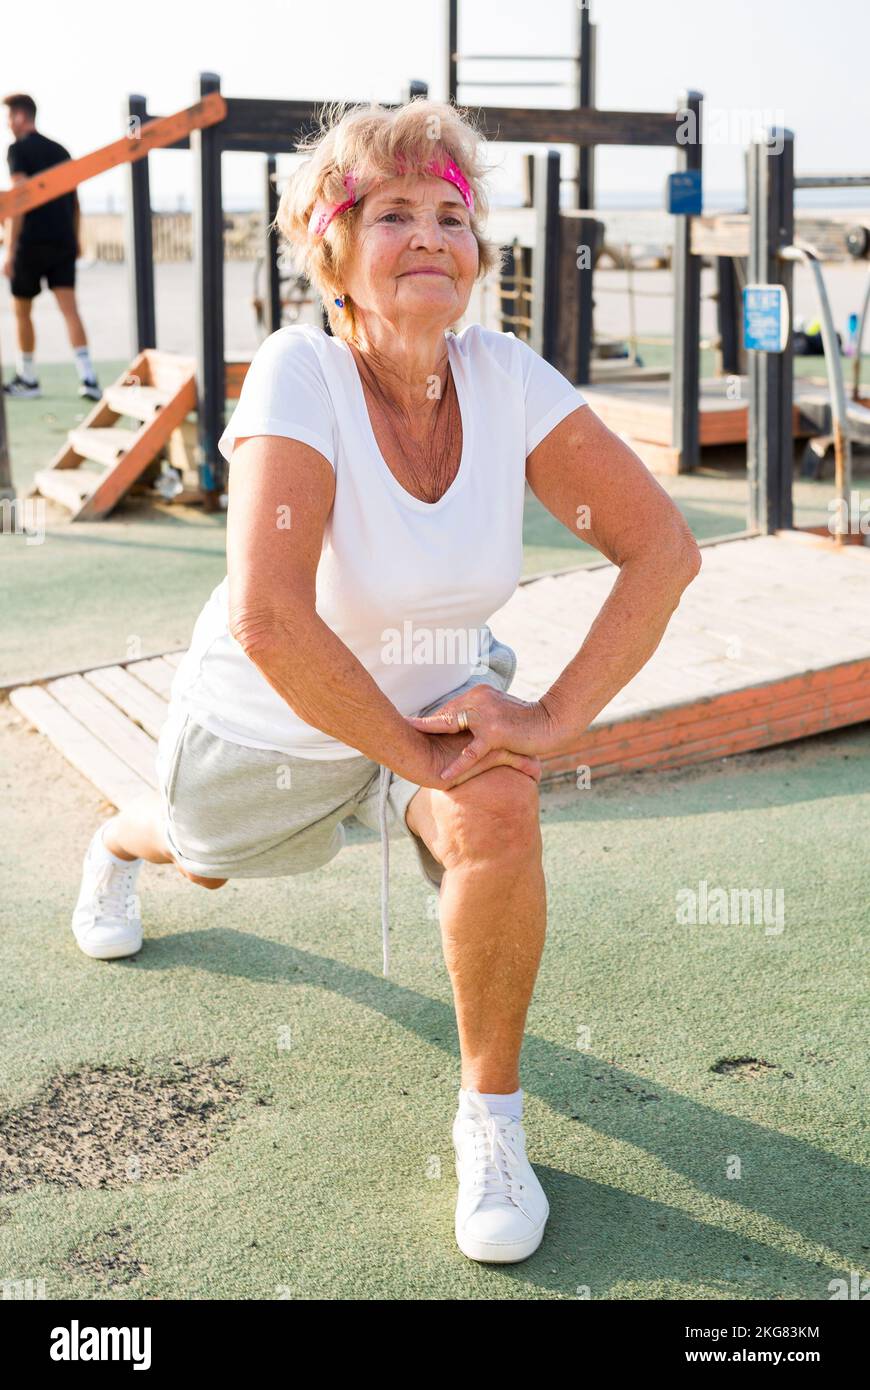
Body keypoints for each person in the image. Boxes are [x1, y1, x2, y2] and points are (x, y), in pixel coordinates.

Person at [70, 98, 702, 1264]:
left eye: (451, 216)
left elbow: (663, 550)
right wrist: (410, 757)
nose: (429, 237)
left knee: (499, 804)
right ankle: (116, 843)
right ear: (332, 249)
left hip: (436, 695)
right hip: (271, 727)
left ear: (477, 256)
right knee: (197, 859)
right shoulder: (299, 370)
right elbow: (268, 617)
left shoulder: (504, 374)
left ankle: (491, 1123)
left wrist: (549, 721)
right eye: (392, 212)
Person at [2, 92, 100, 400]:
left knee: (21, 310)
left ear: (19, 116)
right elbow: (75, 202)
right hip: (62, 241)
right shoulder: (61, 149)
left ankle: (28, 378)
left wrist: (10, 248)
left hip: (30, 241)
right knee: (70, 309)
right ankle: (88, 378)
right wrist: (76, 238)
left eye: (7, 117)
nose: (6, 124)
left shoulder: (17, 150)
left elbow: (19, 199)